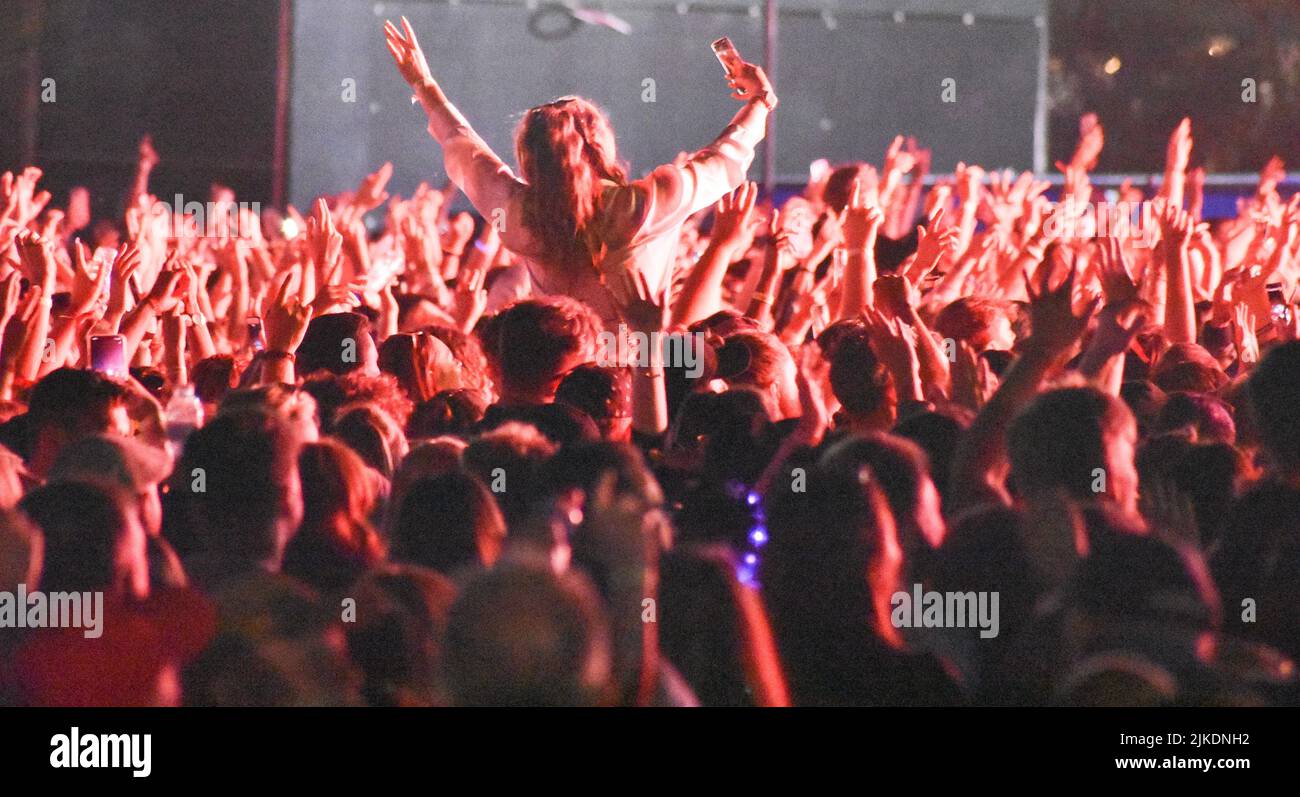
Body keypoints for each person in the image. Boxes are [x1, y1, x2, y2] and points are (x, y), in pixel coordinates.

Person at [384, 16, 776, 322]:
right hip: (643, 379)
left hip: (562, 372)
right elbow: (722, 158)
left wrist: (424, 83)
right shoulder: (645, 205)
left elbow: (465, 149)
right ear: (600, 144)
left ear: (531, 158)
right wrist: (759, 102)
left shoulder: (522, 215)